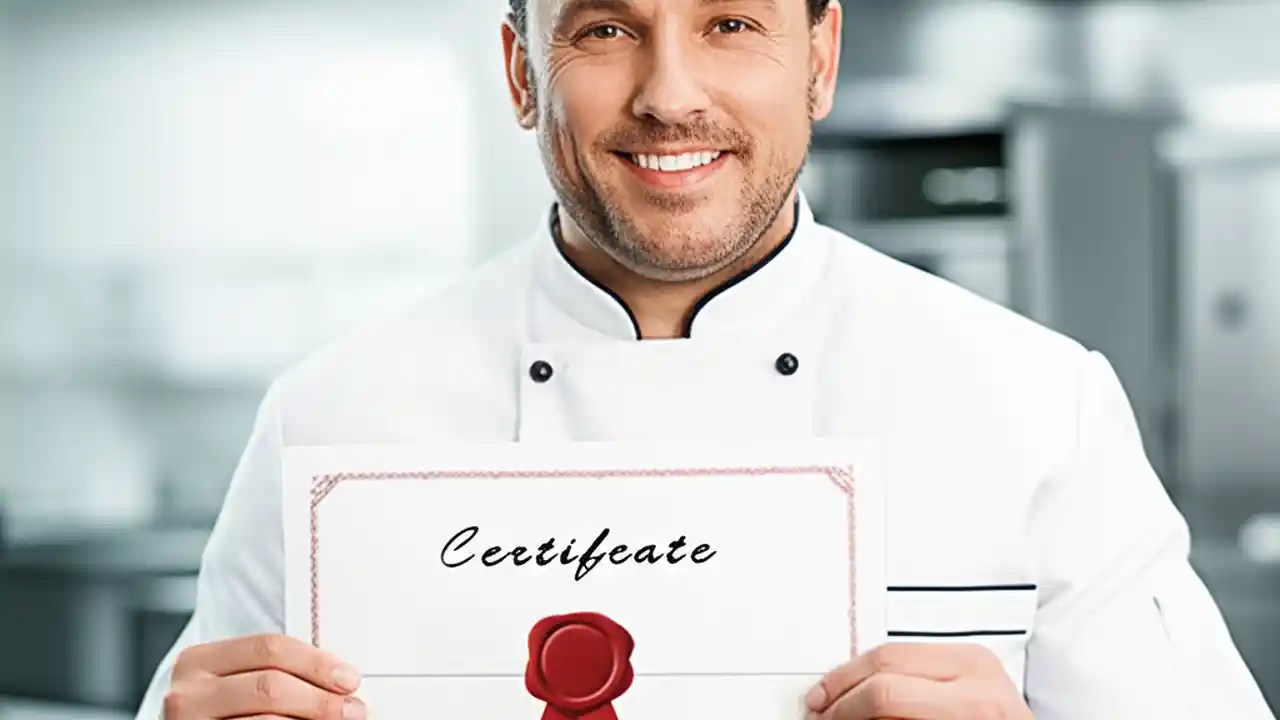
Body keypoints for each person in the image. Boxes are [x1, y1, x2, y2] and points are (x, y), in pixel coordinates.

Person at [140, 0, 1274, 718]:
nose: (668, 93)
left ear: (819, 57)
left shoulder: (1036, 400)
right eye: (603, 28)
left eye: (729, 23)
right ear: (521, 70)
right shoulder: (333, 413)